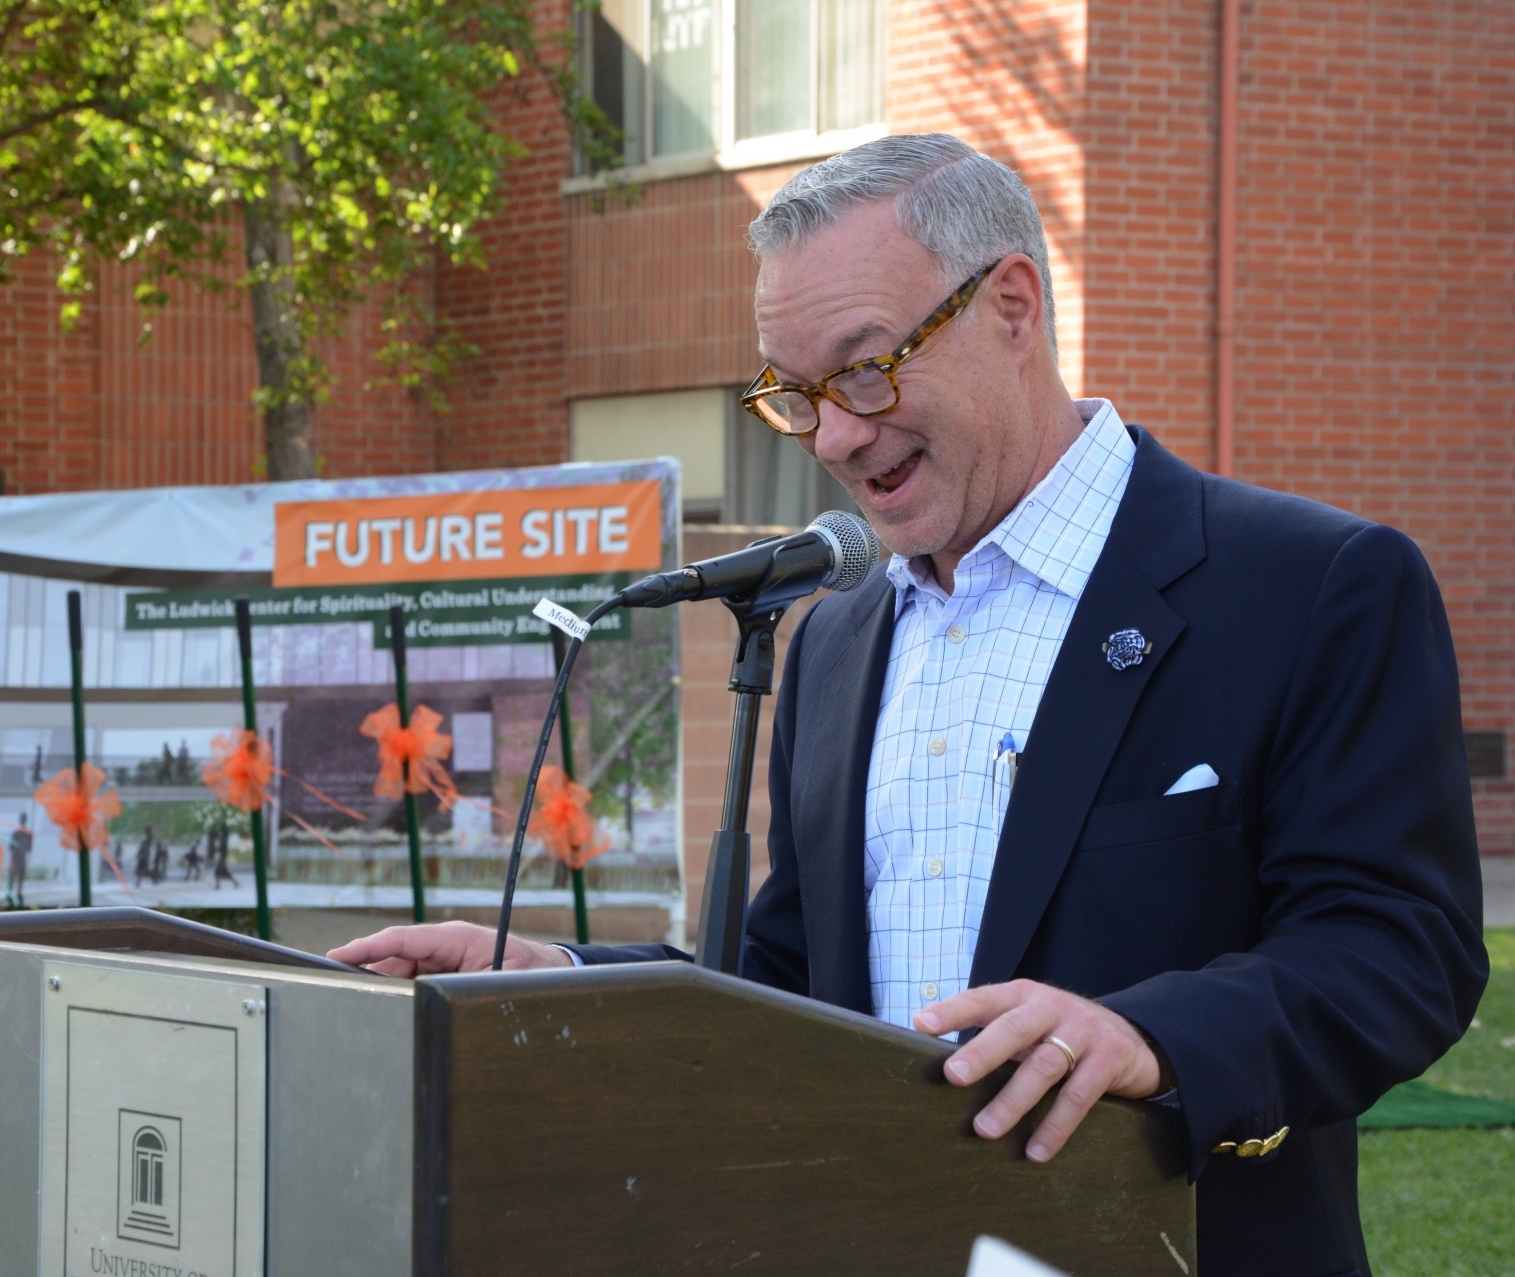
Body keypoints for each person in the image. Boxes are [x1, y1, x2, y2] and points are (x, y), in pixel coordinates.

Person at [328, 133, 1487, 1274]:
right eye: (796, 392)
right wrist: (574, 984)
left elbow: (1401, 945)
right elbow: (790, 980)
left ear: (1014, 306)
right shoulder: (834, 638)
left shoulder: (1308, 584)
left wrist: (1153, 1036)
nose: (833, 434)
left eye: (868, 367)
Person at [6, 812, 33, 906]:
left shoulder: (28, 835)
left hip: (22, 860)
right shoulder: (16, 834)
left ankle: (18, 895)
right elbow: (11, 848)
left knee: (20, 880)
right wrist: (12, 862)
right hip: (16, 859)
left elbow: (29, 848)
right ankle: (10, 895)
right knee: (12, 879)